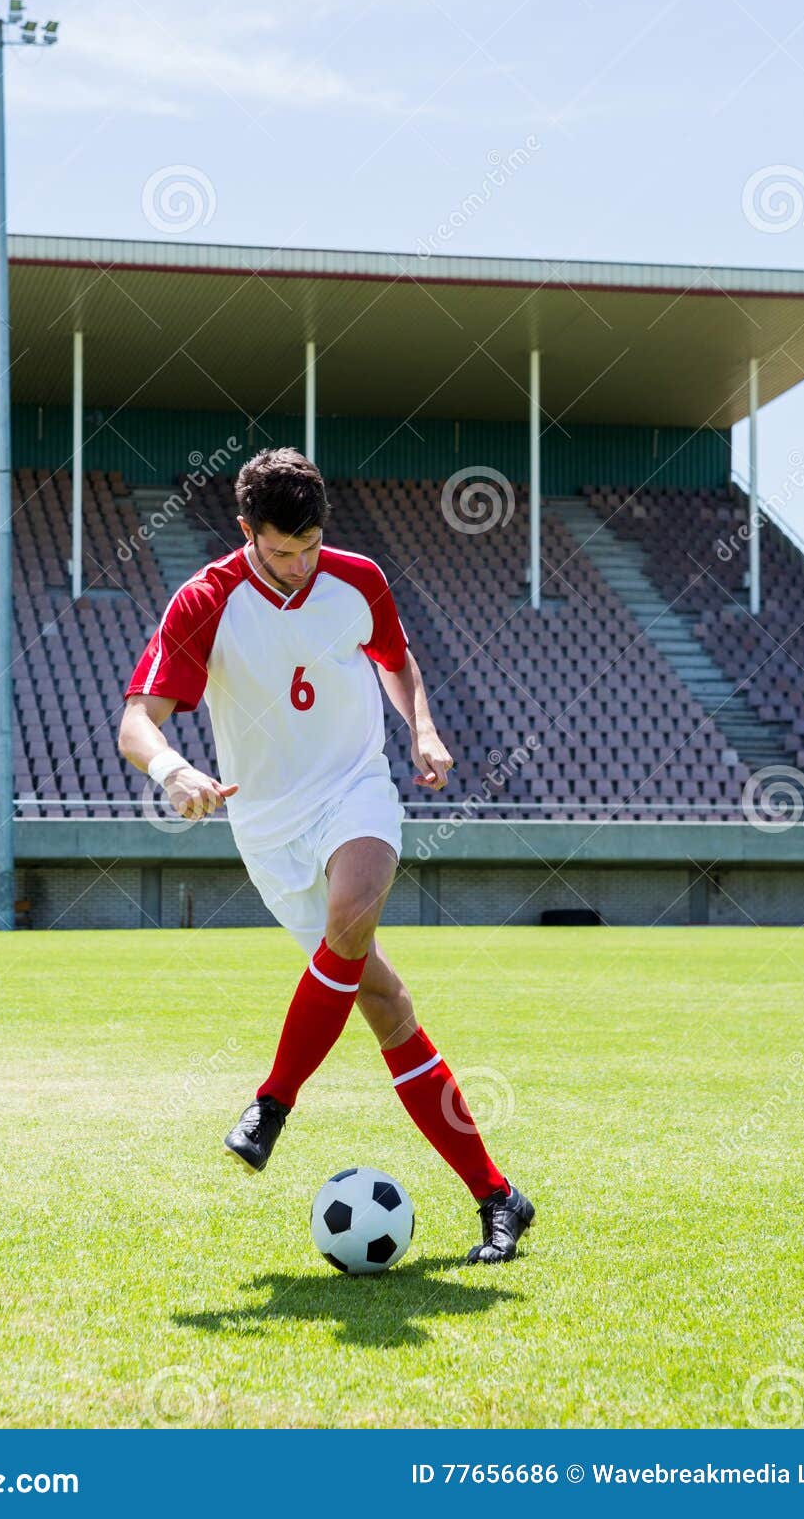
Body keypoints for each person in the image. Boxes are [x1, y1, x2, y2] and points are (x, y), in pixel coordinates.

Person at [118, 447, 533, 1263]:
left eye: (309, 545)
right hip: (267, 830)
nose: (299, 564)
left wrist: (421, 729)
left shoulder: (357, 579)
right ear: (246, 529)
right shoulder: (205, 599)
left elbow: (395, 659)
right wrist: (173, 771)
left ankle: (271, 1104)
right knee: (386, 1005)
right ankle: (499, 1197)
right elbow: (137, 720)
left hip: (354, 790)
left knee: (353, 912)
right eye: (281, 550)